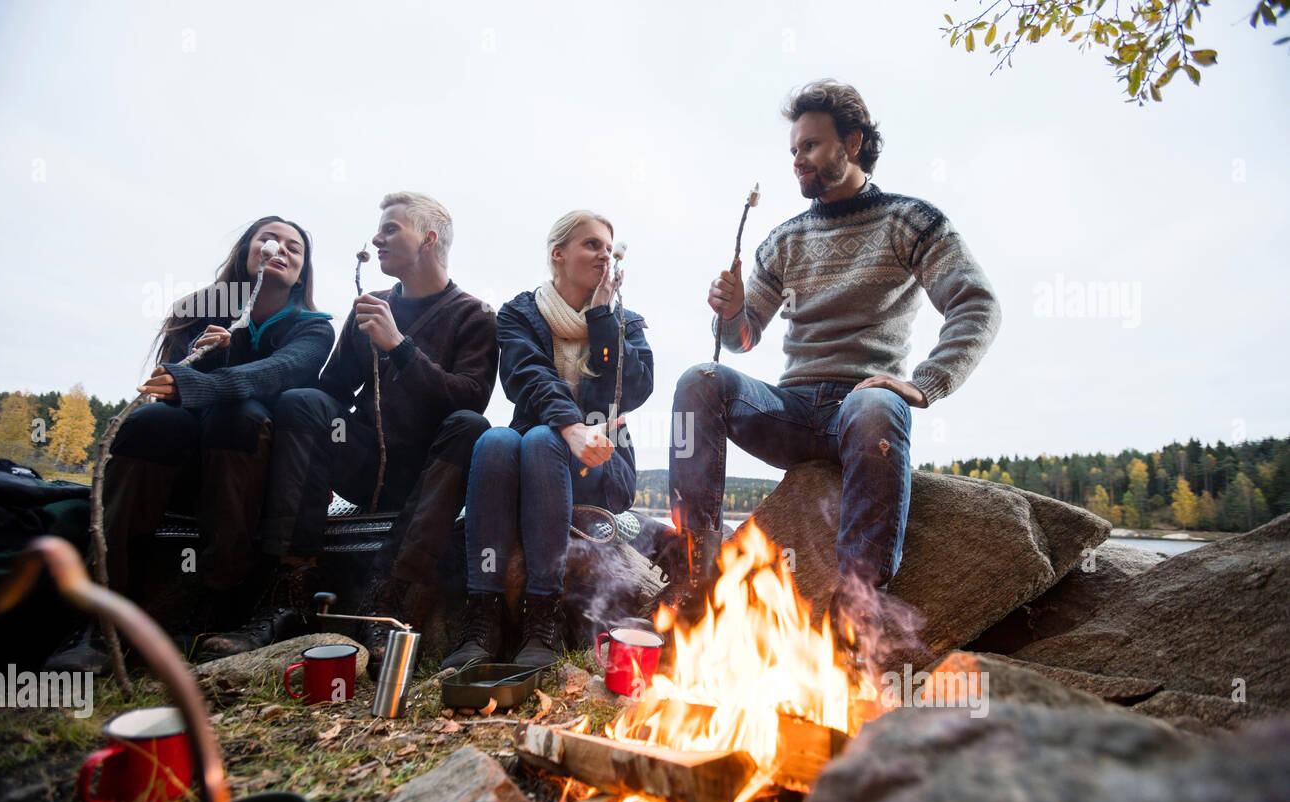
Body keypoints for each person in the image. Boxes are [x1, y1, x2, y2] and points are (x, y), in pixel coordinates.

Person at [666, 79, 1002, 634]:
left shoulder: (909, 220)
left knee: (875, 408)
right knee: (698, 379)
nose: (799, 160)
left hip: (864, 407)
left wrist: (924, 384)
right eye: (794, 150)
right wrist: (730, 312)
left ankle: (855, 612)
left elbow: (978, 304)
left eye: (812, 146)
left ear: (853, 140)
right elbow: (743, 338)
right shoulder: (782, 240)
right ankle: (694, 577)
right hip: (789, 411)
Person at [199, 192, 497, 668]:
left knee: (471, 426)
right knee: (305, 403)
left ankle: (388, 599)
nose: (376, 239)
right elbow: (332, 391)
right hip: (359, 463)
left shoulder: (476, 315)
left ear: (428, 239)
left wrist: (400, 347)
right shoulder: (372, 305)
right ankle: (289, 591)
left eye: (390, 229)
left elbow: (467, 398)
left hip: (428, 476)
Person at [46, 215, 336, 672]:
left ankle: (221, 603)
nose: (279, 249)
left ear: (302, 271)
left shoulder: (314, 329)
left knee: (240, 415)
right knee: (149, 423)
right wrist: (197, 364)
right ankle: (102, 621)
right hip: (180, 463)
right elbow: (169, 388)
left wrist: (208, 383)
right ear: (246, 250)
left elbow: (280, 374)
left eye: (293, 247)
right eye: (268, 239)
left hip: (253, 473)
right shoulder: (196, 310)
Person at [442, 210, 654, 670]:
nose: (604, 254)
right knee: (496, 440)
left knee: (539, 438)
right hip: (534, 461)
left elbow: (633, 390)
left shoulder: (625, 322)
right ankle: (483, 618)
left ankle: (544, 615)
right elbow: (526, 378)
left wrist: (601, 317)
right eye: (591, 244)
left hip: (601, 465)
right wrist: (569, 427)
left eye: (608, 247)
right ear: (558, 254)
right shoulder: (519, 314)